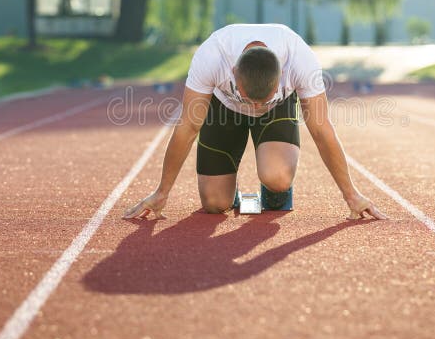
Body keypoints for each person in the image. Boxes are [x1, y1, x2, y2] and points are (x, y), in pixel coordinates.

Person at [124, 23, 387, 220]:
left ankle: (276, 191)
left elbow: (321, 130)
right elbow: (188, 127)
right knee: (215, 204)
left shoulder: (300, 60)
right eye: (250, 100)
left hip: (278, 111)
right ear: (234, 73)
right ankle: (230, 187)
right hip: (223, 108)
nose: (256, 108)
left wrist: (351, 195)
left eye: (264, 99)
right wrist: (162, 192)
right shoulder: (212, 57)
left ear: (282, 75)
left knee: (277, 177)